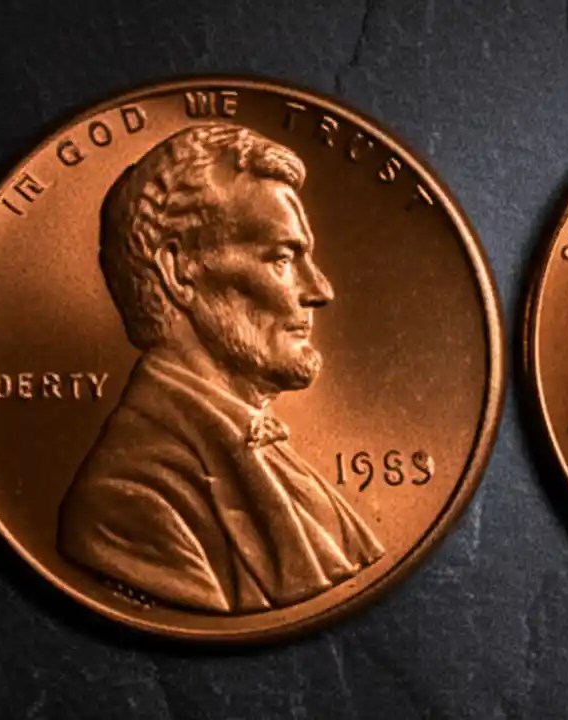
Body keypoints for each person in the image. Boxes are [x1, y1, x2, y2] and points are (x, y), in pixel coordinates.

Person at [58, 124, 384, 613]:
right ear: (178, 271)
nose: (320, 289)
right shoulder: (127, 503)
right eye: (281, 258)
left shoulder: (267, 451)